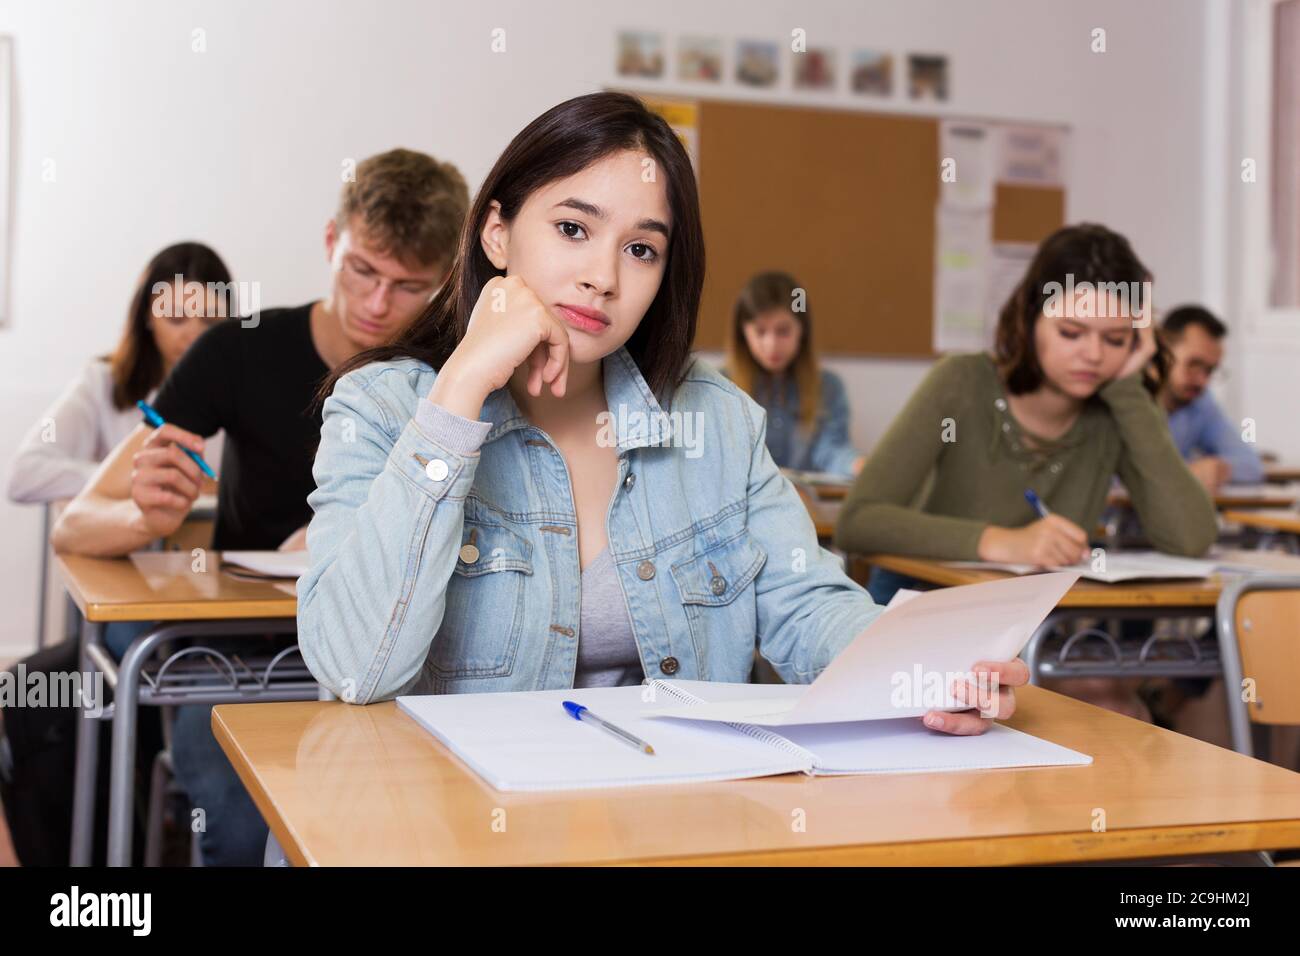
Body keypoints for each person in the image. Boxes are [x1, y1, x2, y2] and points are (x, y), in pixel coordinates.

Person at [297, 92, 1027, 744]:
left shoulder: (718, 422)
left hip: (666, 819)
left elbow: (807, 608)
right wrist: (459, 391)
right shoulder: (383, 407)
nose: (603, 277)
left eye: (640, 249)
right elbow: (356, 668)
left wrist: (933, 668)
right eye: (573, 229)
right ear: (496, 232)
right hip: (449, 827)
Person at [49, 147, 469, 865]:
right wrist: (141, 520)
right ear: (332, 242)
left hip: (401, 657)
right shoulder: (237, 349)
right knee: (243, 830)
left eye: (409, 287)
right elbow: (75, 523)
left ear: (447, 282)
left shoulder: (455, 373)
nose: (376, 304)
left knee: (404, 827)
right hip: (239, 654)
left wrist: (354, 540)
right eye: (363, 270)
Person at [833, 224, 1218, 719]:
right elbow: (858, 520)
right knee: (1073, 707)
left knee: (1115, 706)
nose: (1093, 355)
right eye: (1071, 333)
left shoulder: (1115, 412)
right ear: (1030, 318)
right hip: (919, 623)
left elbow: (1190, 536)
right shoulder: (963, 382)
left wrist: (1128, 390)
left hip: (1027, 641)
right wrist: (1004, 542)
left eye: (1116, 339)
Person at [7, 242, 230, 504]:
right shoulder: (103, 382)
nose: (193, 335)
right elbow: (25, 474)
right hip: (128, 542)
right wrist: (131, 478)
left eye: (210, 321)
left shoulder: (243, 391)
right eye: (175, 318)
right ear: (147, 316)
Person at [723, 271, 862, 476]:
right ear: (743, 333)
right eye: (760, 332)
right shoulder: (720, 385)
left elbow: (832, 450)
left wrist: (858, 466)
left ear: (802, 331)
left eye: (783, 331)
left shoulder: (829, 387)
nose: (771, 345)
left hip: (805, 503)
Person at [1156, 305, 1264, 492]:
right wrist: (1183, 472)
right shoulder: (1129, 399)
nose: (1202, 380)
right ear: (1162, 350)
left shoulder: (1200, 403)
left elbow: (1251, 464)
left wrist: (1220, 469)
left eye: (1210, 370)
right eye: (1194, 364)